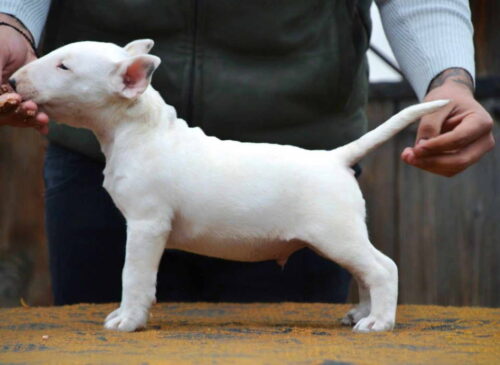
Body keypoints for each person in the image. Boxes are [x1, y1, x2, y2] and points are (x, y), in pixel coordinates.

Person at [0, 0, 494, 305]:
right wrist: (12, 20)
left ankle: (378, 296)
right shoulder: (126, 153)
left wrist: (447, 78)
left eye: (62, 68)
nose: (47, 72)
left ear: (132, 81)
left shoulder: (131, 88)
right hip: (86, 167)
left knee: (335, 282)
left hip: (299, 159)